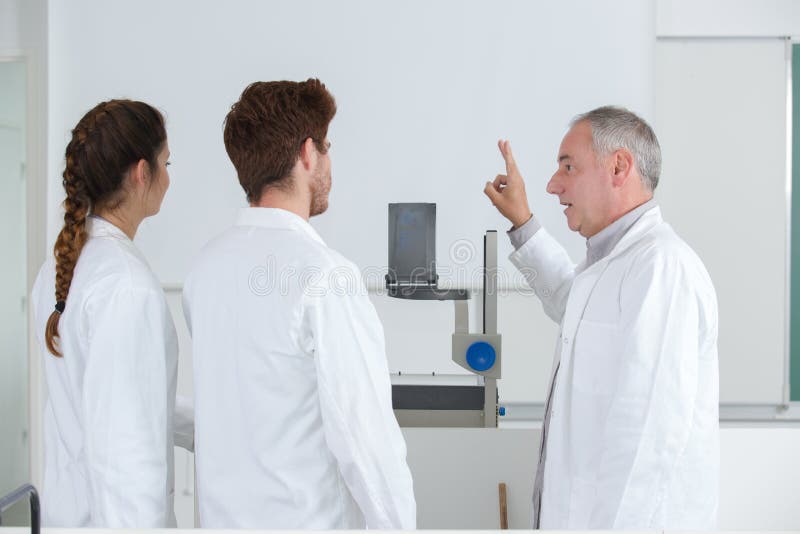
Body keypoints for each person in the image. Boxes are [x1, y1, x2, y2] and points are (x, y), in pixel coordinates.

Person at [183, 79, 416, 529]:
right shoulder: (326, 276)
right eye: (326, 147)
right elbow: (366, 444)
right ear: (308, 154)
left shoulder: (205, 269)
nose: (329, 161)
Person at [484, 106, 719, 529]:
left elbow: (647, 437)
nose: (553, 185)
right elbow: (571, 303)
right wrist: (522, 221)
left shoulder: (661, 268)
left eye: (568, 166)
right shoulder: (611, 266)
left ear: (618, 167)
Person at [31, 99, 193, 527]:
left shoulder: (57, 270)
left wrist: (215, 425)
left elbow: (115, 395)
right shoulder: (125, 286)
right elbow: (125, 457)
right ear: (143, 173)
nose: (168, 176)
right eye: (166, 162)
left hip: (70, 517)